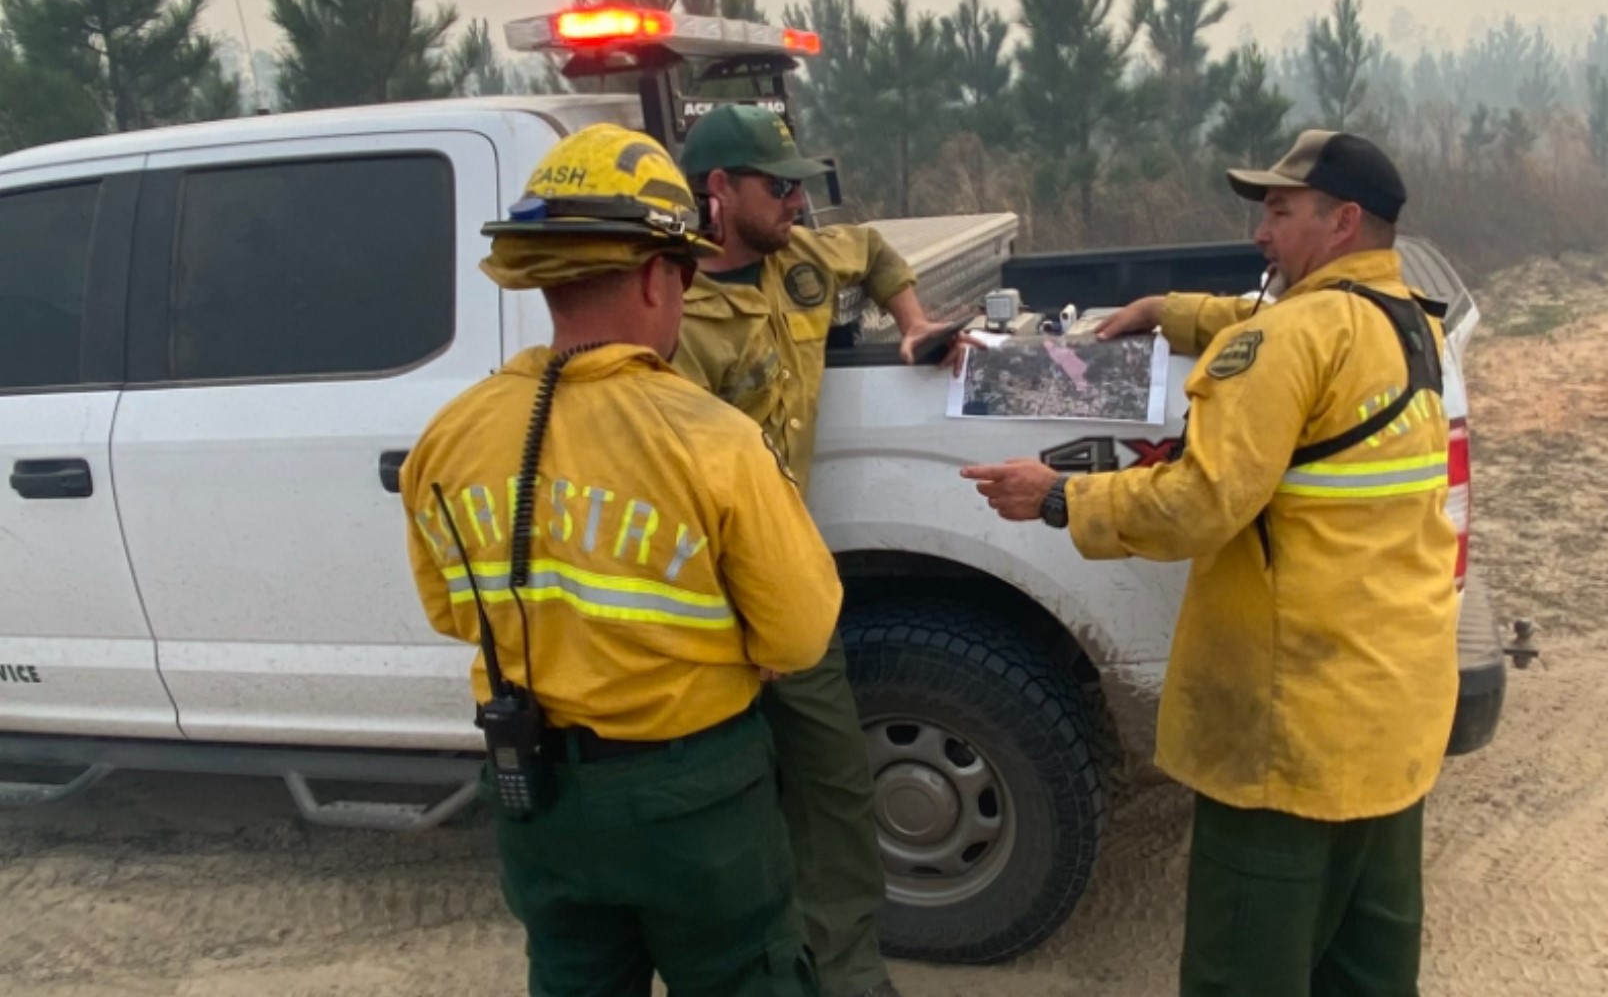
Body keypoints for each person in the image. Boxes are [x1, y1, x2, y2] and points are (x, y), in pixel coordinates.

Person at [961, 130, 1461, 997]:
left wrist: (1058, 496)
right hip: (1389, 713)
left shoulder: (1291, 338)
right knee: (1368, 971)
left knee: (1244, 972)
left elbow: (1198, 503)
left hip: (1288, 729)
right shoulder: (1410, 322)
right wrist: (1169, 309)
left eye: (1277, 211)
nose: (1260, 232)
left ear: (1341, 222)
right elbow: (1272, 327)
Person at [400, 124, 840, 997]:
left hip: (539, 802)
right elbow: (798, 634)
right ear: (655, 275)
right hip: (695, 805)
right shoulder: (711, 439)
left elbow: (452, 612)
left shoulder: (448, 439)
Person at [668, 103, 941, 997]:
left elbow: (874, 251)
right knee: (723, 805)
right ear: (720, 191)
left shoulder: (805, 262)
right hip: (704, 601)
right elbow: (674, 487)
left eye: (799, 183)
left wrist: (911, 320)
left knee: (834, 787)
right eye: (777, 185)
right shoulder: (668, 312)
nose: (797, 200)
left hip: (792, 581)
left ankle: (850, 974)